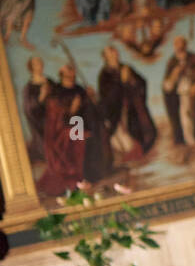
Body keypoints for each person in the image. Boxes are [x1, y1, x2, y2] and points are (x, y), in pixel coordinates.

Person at [36, 63, 110, 197]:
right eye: (68, 74)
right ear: (62, 75)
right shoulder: (56, 92)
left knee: (93, 134)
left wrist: (91, 98)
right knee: (79, 139)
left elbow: (88, 112)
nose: (71, 77)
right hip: (61, 130)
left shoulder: (79, 90)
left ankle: (93, 173)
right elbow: (56, 118)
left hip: (78, 124)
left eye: (73, 74)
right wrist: (72, 110)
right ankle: (78, 178)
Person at [97, 46, 157, 162]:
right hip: (117, 111)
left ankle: (143, 147)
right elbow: (106, 97)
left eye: (114, 50)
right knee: (124, 137)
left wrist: (132, 81)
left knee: (142, 128)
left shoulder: (126, 67)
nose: (115, 53)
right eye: (111, 51)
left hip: (132, 106)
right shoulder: (104, 75)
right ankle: (134, 150)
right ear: (106, 57)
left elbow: (142, 82)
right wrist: (121, 81)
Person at [22, 55, 50, 161]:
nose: (40, 65)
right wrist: (41, 97)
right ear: (31, 67)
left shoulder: (49, 81)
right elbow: (29, 108)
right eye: (37, 64)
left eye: (41, 62)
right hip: (42, 120)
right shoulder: (29, 87)